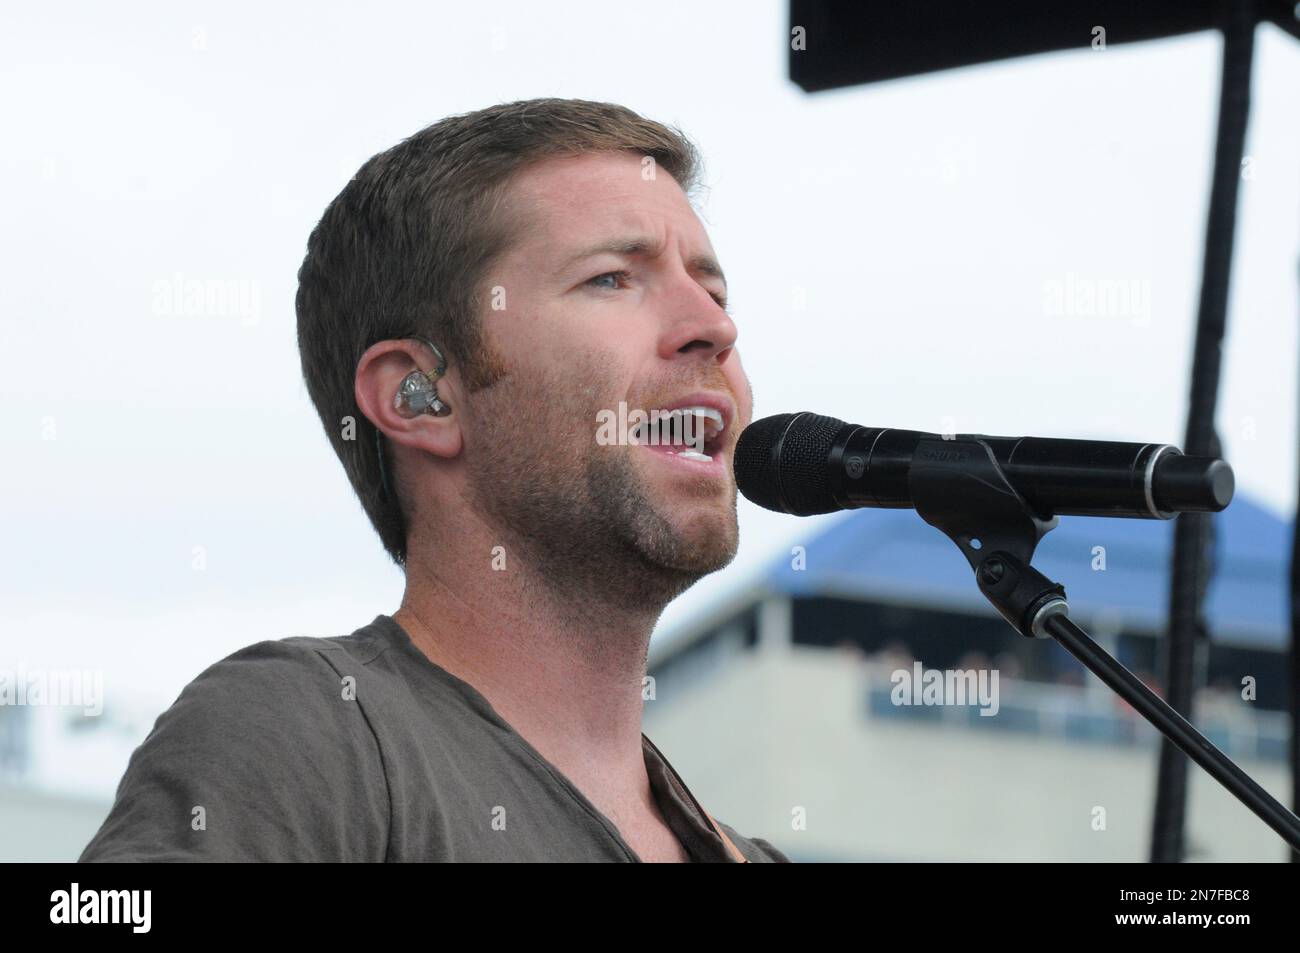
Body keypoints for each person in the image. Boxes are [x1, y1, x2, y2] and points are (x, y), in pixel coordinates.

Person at [80, 98, 788, 862]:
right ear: (423, 394)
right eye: (613, 278)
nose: (715, 327)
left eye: (715, 293)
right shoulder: (308, 733)